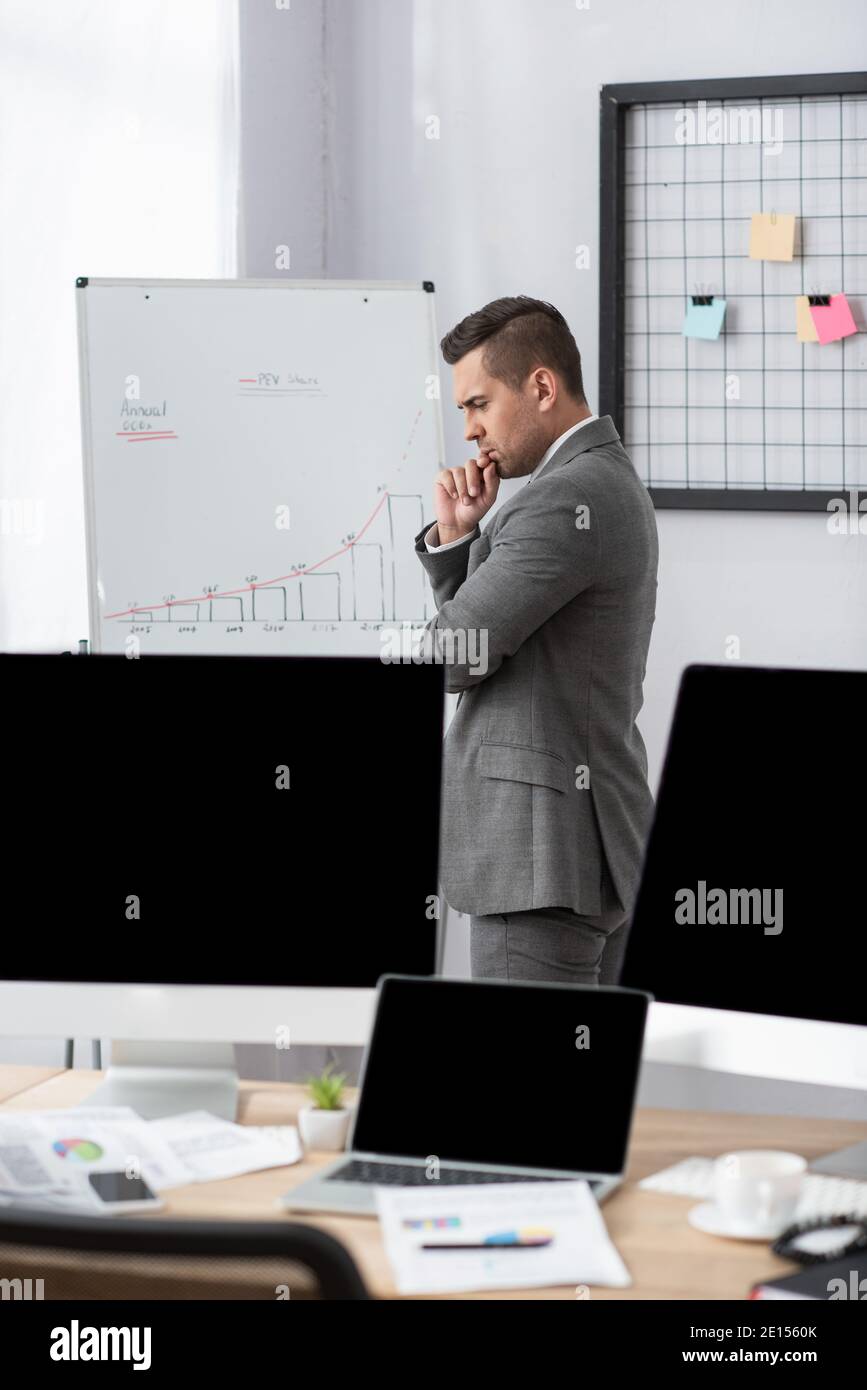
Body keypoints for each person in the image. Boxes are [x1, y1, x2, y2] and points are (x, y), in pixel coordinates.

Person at [414, 295, 658, 985]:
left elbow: (450, 656)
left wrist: (464, 548)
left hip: (537, 864)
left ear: (541, 386)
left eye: (478, 404)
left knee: (517, 1086)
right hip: (586, 848)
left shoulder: (561, 501)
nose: (468, 431)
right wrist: (462, 539)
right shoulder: (606, 479)